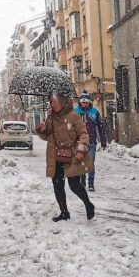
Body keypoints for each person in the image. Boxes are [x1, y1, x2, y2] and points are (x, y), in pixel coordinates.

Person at [37, 91, 95, 222]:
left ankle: (88, 204)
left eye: (55, 101)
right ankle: (64, 213)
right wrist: (42, 129)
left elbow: (84, 135)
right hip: (55, 156)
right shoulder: (51, 117)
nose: (53, 104)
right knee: (57, 186)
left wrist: (81, 150)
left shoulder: (73, 116)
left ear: (63, 101)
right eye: (51, 101)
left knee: (74, 185)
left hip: (72, 156)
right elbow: (46, 136)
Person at [73, 93, 108, 191]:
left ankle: (91, 183)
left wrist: (103, 141)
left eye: (86, 102)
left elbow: (101, 128)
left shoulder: (94, 112)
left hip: (91, 142)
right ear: (80, 102)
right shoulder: (75, 112)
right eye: (83, 102)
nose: (85, 104)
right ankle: (82, 178)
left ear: (89, 103)